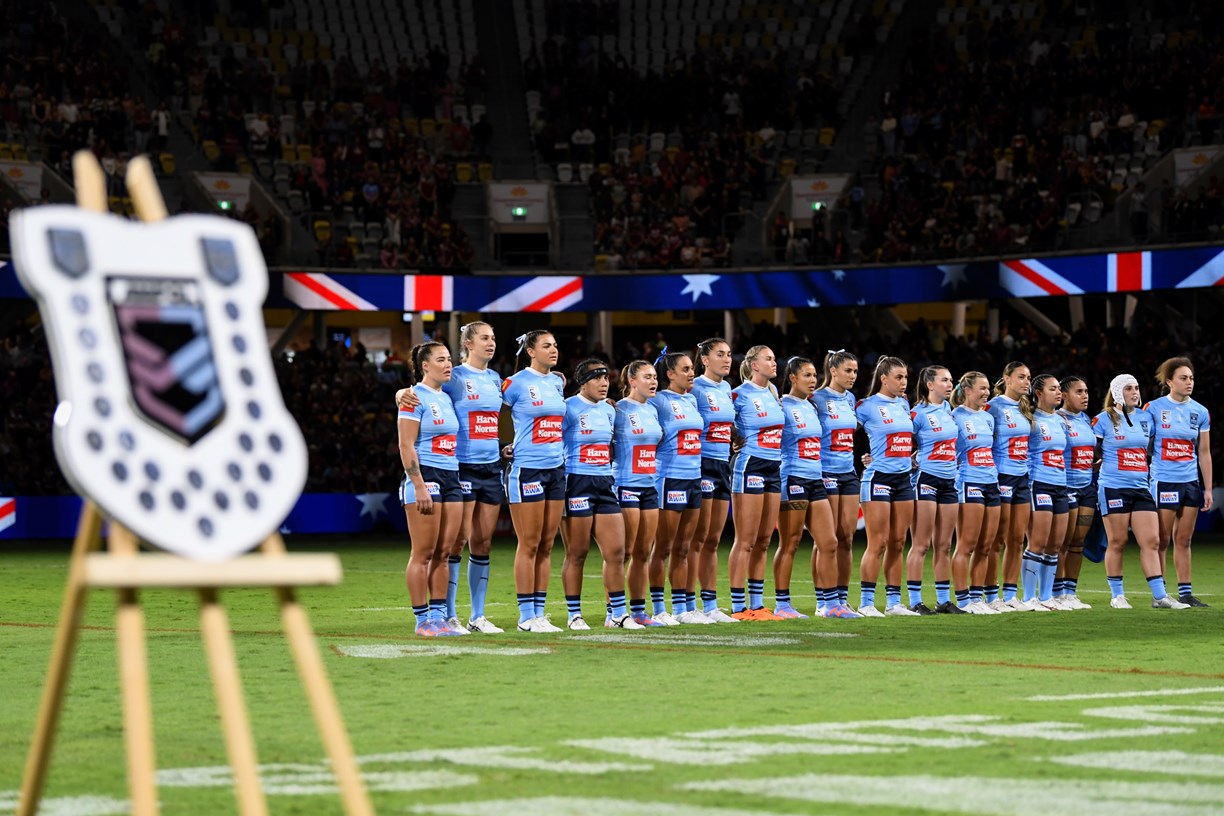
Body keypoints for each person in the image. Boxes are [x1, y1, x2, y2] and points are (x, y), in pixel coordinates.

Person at [1093, 374, 1189, 610]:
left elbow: (1152, 449)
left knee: (1152, 541)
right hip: (1113, 486)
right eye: (1128, 389)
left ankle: (1160, 596)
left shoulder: (1147, 418)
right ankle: (1117, 596)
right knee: (1118, 541)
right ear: (1116, 393)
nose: (1135, 392)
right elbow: (1091, 451)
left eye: (1136, 388)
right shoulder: (1102, 420)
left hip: (1140, 488)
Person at [561, 359, 638, 630]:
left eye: (606, 378)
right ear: (583, 382)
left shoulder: (609, 410)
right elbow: (547, 440)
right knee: (577, 552)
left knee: (616, 551)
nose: (604, 383)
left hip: (605, 483)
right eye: (597, 378)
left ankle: (617, 614)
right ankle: (574, 615)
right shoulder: (568, 408)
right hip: (576, 483)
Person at [777, 357, 856, 618]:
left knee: (830, 542)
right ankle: (782, 604)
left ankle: (829, 605)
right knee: (790, 542)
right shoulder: (783, 407)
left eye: (814, 375)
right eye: (807, 376)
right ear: (792, 379)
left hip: (816, 479)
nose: (813, 380)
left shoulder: (811, 406)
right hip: (794, 479)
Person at [439, 322, 505, 633]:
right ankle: (449, 614)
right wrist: (402, 394)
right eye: (484, 338)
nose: (490, 343)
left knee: (483, 542)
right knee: (457, 541)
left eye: (492, 338)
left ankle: (477, 616)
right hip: (461, 466)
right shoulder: (454, 376)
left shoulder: (494, 379)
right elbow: (421, 391)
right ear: (468, 343)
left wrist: (502, 449)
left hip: (491, 467)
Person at [398, 342, 466, 637]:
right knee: (423, 553)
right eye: (441, 360)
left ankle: (438, 617)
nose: (448, 364)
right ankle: (422, 620)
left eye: (450, 359)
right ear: (425, 366)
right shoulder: (413, 398)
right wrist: (418, 484)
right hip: (426, 476)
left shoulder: (447, 397)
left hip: (451, 476)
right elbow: (405, 444)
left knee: (445, 552)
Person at [502, 330, 568, 632]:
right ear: (530, 351)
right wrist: (505, 442)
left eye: (555, 345)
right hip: (527, 469)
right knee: (528, 543)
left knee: (546, 544)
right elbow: (496, 413)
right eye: (546, 346)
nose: (553, 350)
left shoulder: (557, 382)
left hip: (556, 469)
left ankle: (539, 613)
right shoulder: (515, 384)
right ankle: (525, 616)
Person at [649, 349, 710, 624]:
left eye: (691, 368)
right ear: (670, 374)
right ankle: (659, 608)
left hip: (693, 477)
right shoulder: (659, 401)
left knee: (684, 548)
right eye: (685, 369)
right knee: (662, 547)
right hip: (669, 478)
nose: (691, 373)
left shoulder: (692, 401)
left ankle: (683, 608)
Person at [1146, 357, 1213, 607]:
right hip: (1164, 480)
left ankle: (1185, 592)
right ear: (1169, 381)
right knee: (1162, 539)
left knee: (1184, 540)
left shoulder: (1200, 411)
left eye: (1191, 378)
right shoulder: (1153, 408)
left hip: (1190, 482)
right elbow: (1145, 443)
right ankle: (1160, 595)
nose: (1189, 382)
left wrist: (1207, 488)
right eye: (1183, 378)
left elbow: (1203, 452)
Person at [855, 356, 917, 617]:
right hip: (878, 478)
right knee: (877, 542)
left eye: (905, 377)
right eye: (898, 377)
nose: (904, 382)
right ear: (883, 379)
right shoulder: (866, 406)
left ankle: (893, 603)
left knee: (898, 542)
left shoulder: (904, 404)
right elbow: (846, 434)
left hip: (904, 479)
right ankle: (866, 603)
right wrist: (863, 456)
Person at [728, 345, 786, 620]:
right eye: (769, 359)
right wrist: (733, 436)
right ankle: (739, 607)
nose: (774, 363)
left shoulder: (773, 393)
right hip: (751, 464)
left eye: (775, 359)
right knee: (746, 540)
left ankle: (757, 605)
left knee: (764, 540)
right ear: (754, 365)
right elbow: (718, 420)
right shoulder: (739, 394)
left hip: (774, 467)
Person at [688, 338, 739, 623]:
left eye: (729, 354)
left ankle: (710, 605)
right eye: (720, 354)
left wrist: (735, 436)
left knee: (713, 540)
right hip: (701, 465)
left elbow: (727, 425)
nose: (727, 359)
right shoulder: (694, 387)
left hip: (722, 465)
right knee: (698, 538)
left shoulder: (727, 388)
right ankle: (688, 604)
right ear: (704, 359)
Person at [907, 366, 962, 614]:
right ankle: (915, 601)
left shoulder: (949, 410)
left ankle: (943, 600)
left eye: (951, 380)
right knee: (921, 544)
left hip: (950, 481)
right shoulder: (917, 414)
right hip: (926, 479)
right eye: (944, 380)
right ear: (930, 384)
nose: (950, 384)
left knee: (944, 544)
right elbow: (899, 443)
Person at [614, 359, 664, 627]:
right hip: (626, 484)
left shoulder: (653, 410)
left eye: (655, 376)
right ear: (632, 381)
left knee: (644, 551)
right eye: (647, 377)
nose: (653, 381)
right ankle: (615, 612)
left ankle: (638, 612)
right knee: (625, 551)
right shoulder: (619, 410)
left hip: (649, 486)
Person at [813, 350, 861, 611]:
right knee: (826, 539)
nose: (853, 376)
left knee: (847, 536)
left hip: (849, 472)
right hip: (825, 472)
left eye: (855, 371)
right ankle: (823, 599)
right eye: (848, 371)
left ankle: (841, 598)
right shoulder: (817, 398)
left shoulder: (851, 399)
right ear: (833, 371)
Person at [950, 371, 1001, 614]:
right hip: (969, 482)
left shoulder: (989, 418)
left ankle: (977, 597)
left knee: (986, 545)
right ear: (967, 390)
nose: (986, 392)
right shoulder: (955, 417)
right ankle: (963, 600)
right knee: (967, 545)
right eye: (981, 388)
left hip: (991, 482)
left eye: (988, 388)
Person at [987, 361, 1033, 611]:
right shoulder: (993, 407)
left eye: (1028, 377)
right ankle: (991, 595)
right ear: (1007, 378)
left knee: (1017, 540)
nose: (1027, 381)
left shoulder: (1026, 408)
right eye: (1021, 377)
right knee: (997, 540)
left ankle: (1010, 595)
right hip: (1001, 477)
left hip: (1022, 478)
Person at [1022, 374, 1070, 611]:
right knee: (1038, 542)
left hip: (1060, 485)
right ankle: (1029, 598)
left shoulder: (1061, 420)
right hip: (1038, 484)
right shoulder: (1029, 419)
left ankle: (1046, 596)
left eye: (1059, 388)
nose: (1059, 392)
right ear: (1039, 393)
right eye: (1053, 389)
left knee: (1055, 544)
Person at [1053, 375, 1095, 609]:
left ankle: (1070, 591)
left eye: (1086, 391)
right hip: (1065, 485)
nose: (1085, 395)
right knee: (1062, 542)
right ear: (1065, 395)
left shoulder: (1086, 419)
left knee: (1078, 541)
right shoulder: (1057, 418)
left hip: (1086, 486)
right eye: (1079, 392)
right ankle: (1057, 592)